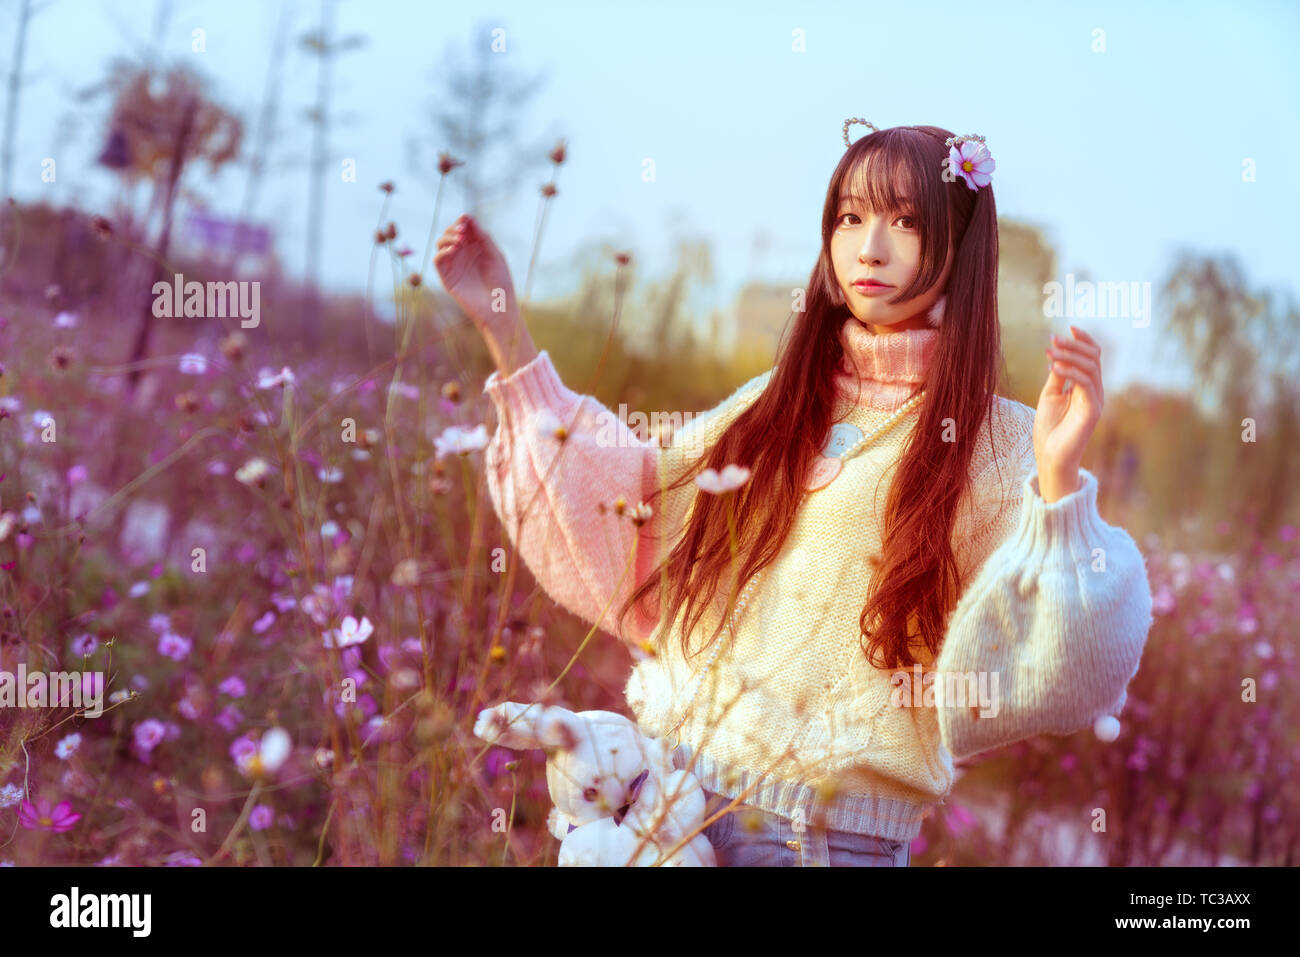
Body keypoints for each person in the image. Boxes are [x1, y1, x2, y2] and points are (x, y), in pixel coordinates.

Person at [434, 121, 1154, 867]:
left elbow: (1076, 672)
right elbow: (632, 508)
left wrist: (1060, 482)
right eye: (850, 216)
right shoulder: (769, 408)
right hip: (668, 813)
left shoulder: (998, 444)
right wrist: (504, 330)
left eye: (905, 220)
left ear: (961, 244)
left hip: (819, 842)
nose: (869, 246)